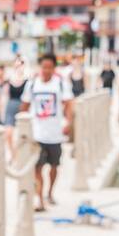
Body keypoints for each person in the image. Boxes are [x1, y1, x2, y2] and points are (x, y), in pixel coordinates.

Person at [21, 53, 74, 211]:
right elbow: (24, 106)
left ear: (54, 68)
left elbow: (69, 104)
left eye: (50, 67)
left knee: (54, 167)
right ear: (40, 67)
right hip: (37, 134)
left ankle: (50, 192)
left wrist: (68, 123)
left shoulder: (60, 84)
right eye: (44, 67)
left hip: (55, 133)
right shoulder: (32, 84)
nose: (46, 70)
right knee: (37, 168)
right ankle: (40, 199)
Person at [1, 54, 29, 154]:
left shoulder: (28, 80)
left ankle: (20, 154)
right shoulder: (9, 79)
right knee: (8, 133)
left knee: (22, 135)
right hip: (11, 106)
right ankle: (13, 153)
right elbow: (4, 95)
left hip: (23, 108)